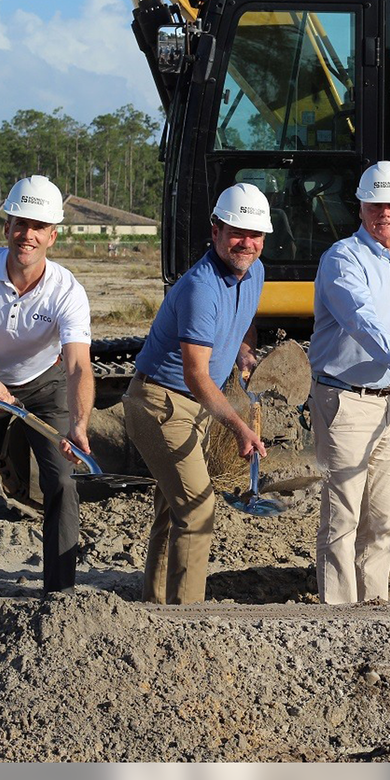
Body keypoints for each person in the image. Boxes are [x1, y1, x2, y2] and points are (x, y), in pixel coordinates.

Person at [0, 175, 93, 596]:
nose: (27, 234)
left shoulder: (67, 291)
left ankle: (60, 597)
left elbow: (78, 363)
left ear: (52, 236)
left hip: (44, 386)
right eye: (20, 224)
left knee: (62, 482)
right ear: (6, 227)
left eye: (38, 227)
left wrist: (79, 425)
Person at [123, 182, 271, 605]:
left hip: (190, 406)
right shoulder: (200, 287)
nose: (246, 243)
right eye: (236, 233)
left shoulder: (254, 271)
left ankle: (156, 610)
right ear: (216, 232)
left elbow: (243, 320)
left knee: (173, 510)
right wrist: (240, 427)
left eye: (255, 235)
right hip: (160, 403)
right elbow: (195, 376)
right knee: (199, 509)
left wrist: (243, 350)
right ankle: (188, 620)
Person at [307, 161, 390, 605]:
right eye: (376, 203)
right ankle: (339, 616)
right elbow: (361, 320)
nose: (385, 212)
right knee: (343, 516)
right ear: (361, 207)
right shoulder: (343, 258)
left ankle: (374, 610)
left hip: (388, 402)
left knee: (382, 518)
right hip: (345, 400)